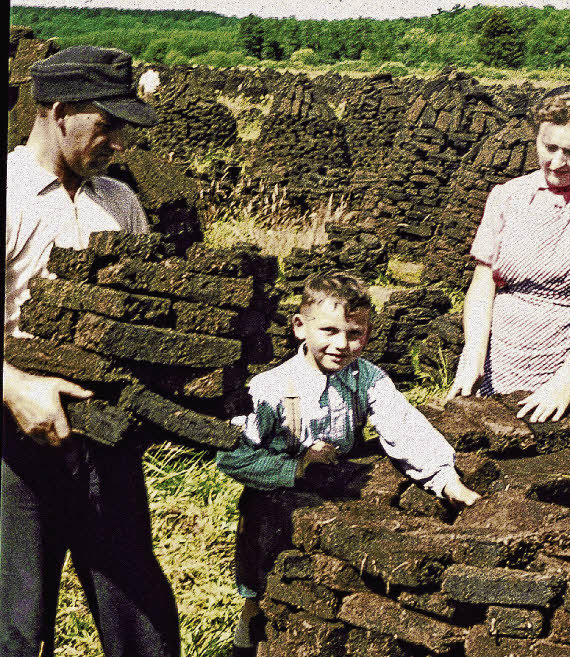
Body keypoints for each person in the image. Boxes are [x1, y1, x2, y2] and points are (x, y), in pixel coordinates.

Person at [2, 46, 179, 657]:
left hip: (106, 434)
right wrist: (17, 387)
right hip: (13, 435)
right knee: (15, 616)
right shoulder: (9, 196)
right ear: (58, 110)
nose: (119, 143)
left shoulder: (121, 203)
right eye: (106, 125)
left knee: (137, 605)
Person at [218, 271, 480, 657]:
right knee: (260, 586)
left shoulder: (366, 378)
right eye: (328, 330)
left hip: (337, 496)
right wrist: (294, 469)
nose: (341, 344)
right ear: (299, 327)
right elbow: (232, 456)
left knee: (323, 588)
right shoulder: (270, 389)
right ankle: (248, 640)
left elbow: (403, 426)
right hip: (272, 499)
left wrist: (444, 478)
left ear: (368, 334)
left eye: (354, 333)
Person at [446, 85, 570, 422]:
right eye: (548, 147)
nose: (557, 162)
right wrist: (473, 356)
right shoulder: (507, 196)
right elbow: (483, 284)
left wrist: (567, 380)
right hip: (506, 359)